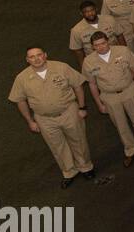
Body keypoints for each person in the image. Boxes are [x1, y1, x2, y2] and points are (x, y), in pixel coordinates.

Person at [9, 47, 94, 188]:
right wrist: (30, 121)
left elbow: (78, 86)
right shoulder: (22, 78)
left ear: (45, 55)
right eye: (32, 57)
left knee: (78, 140)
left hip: (69, 112)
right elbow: (20, 100)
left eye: (39, 55)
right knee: (57, 146)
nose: (36, 59)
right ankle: (69, 172)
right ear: (27, 60)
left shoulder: (61, 67)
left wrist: (82, 107)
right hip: (44, 119)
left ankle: (85, 167)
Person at [82, 31, 134, 167]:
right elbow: (92, 84)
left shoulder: (123, 51)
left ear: (108, 41)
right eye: (97, 45)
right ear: (92, 47)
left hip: (129, 91)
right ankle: (130, 150)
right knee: (121, 125)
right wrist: (99, 104)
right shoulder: (89, 61)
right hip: (109, 97)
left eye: (103, 43)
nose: (101, 47)